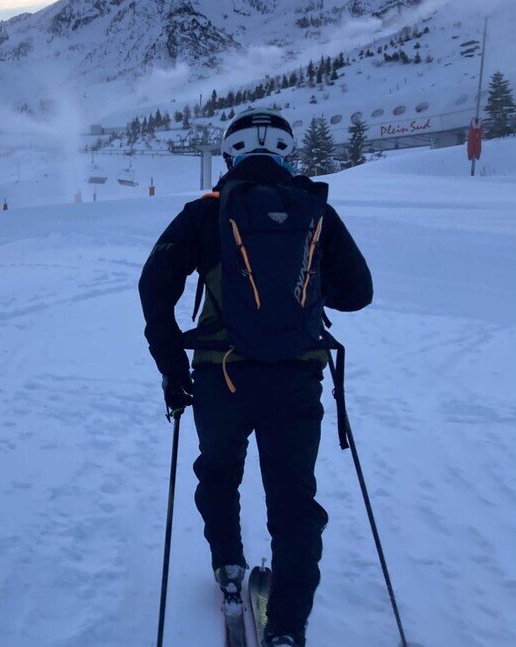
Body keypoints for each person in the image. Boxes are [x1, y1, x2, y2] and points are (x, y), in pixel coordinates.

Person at [138, 109, 373, 647]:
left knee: (219, 474)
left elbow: (154, 289)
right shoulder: (315, 212)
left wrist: (174, 372)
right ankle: (287, 625)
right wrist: (305, 294)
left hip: (222, 376)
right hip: (297, 378)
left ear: (229, 158)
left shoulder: (205, 213)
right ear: (287, 157)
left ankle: (227, 568)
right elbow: (358, 292)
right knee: (293, 502)